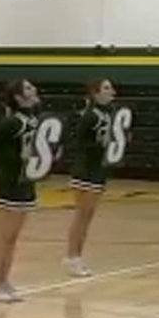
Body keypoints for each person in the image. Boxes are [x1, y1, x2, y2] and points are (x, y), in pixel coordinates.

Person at [0, 79, 43, 303]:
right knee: (3, 237)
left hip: (26, 185)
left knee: (13, 239)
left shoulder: (35, 120)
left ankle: (5, 279)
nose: (34, 90)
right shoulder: (11, 123)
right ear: (19, 97)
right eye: (29, 88)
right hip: (9, 185)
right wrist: (17, 157)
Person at [63, 78, 118, 277]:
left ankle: (76, 256)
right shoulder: (89, 116)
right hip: (86, 171)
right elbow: (79, 143)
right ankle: (72, 257)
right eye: (106, 88)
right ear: (95, 93)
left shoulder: (111, 114)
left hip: (99, 171)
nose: (112, 91)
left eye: (111, 87)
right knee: (82, 217)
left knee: (87, 216)